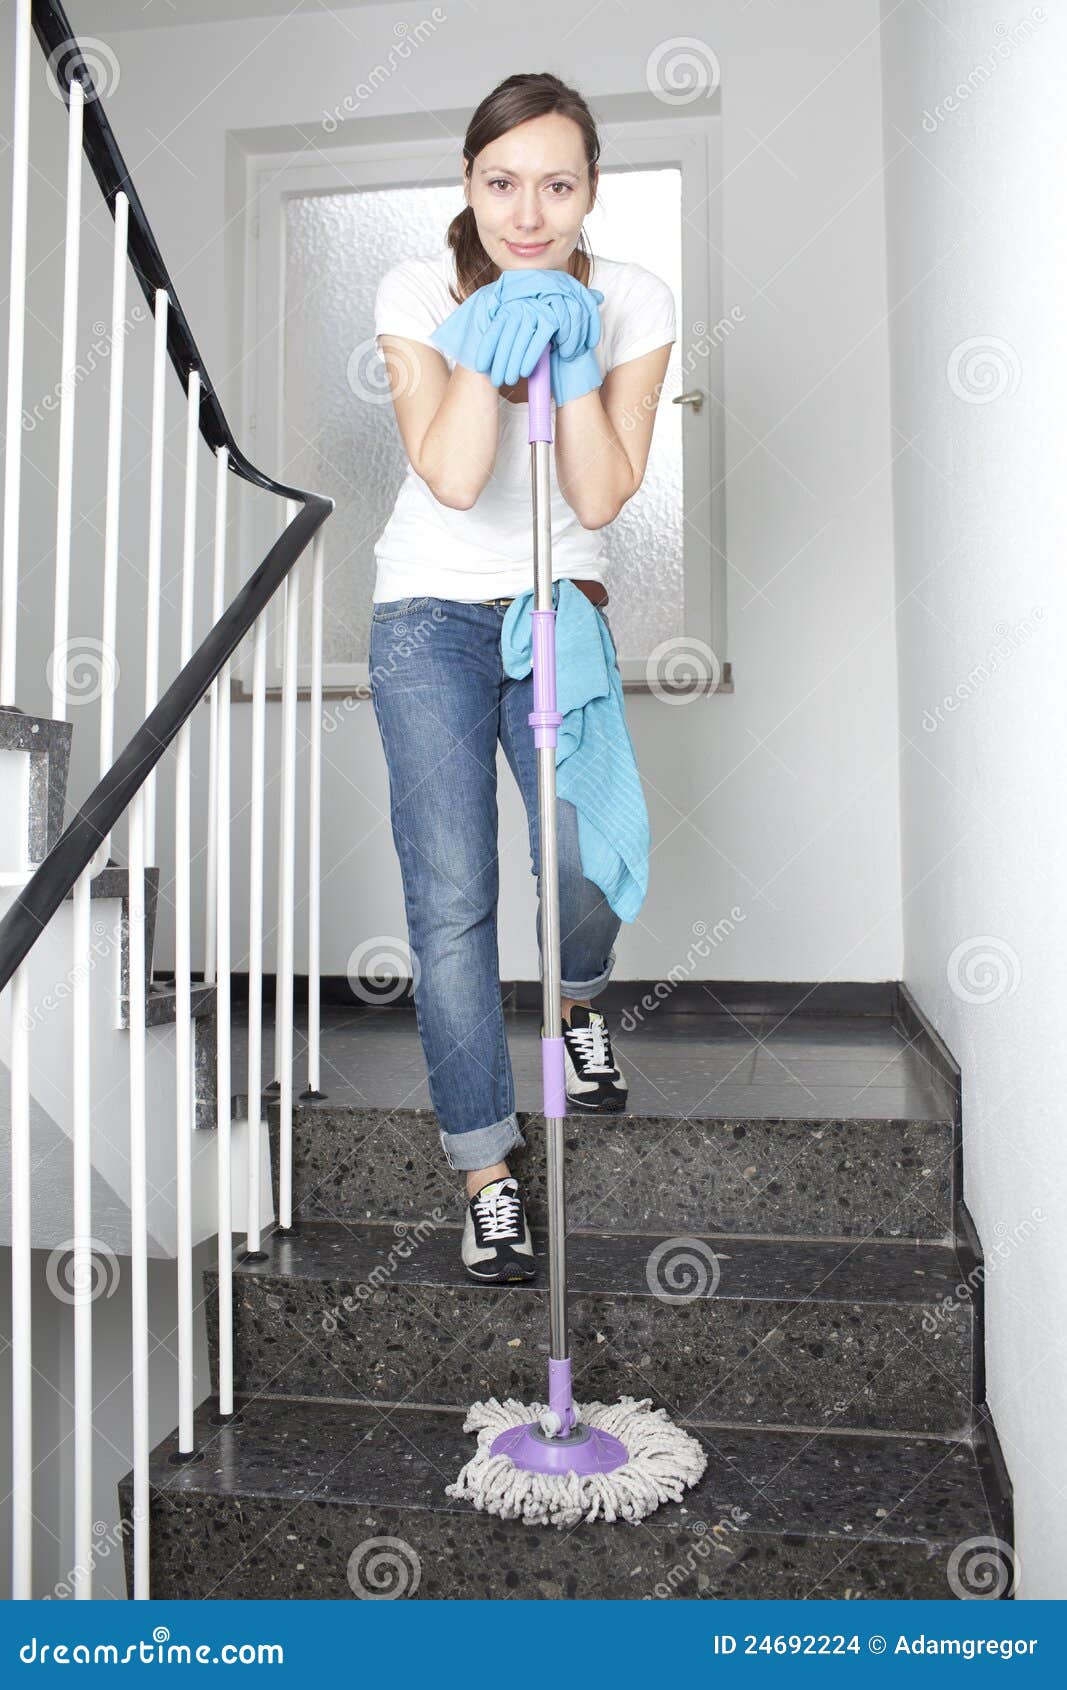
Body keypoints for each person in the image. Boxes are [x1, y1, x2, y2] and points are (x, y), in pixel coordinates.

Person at [370, 70, 675, 1284]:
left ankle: (578, 1000)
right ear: (467, 183)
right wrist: (493, 334)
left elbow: (596, 494)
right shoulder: (411, 288)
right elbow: (450, 475)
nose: (527, 210)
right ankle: (486, 1174)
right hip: (426, 618)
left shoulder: (636, 297)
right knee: (451, 903)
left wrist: (569, 333)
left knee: (580, 851)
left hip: (559, 604)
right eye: (501, 182)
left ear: (591, 189)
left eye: (556, 183)